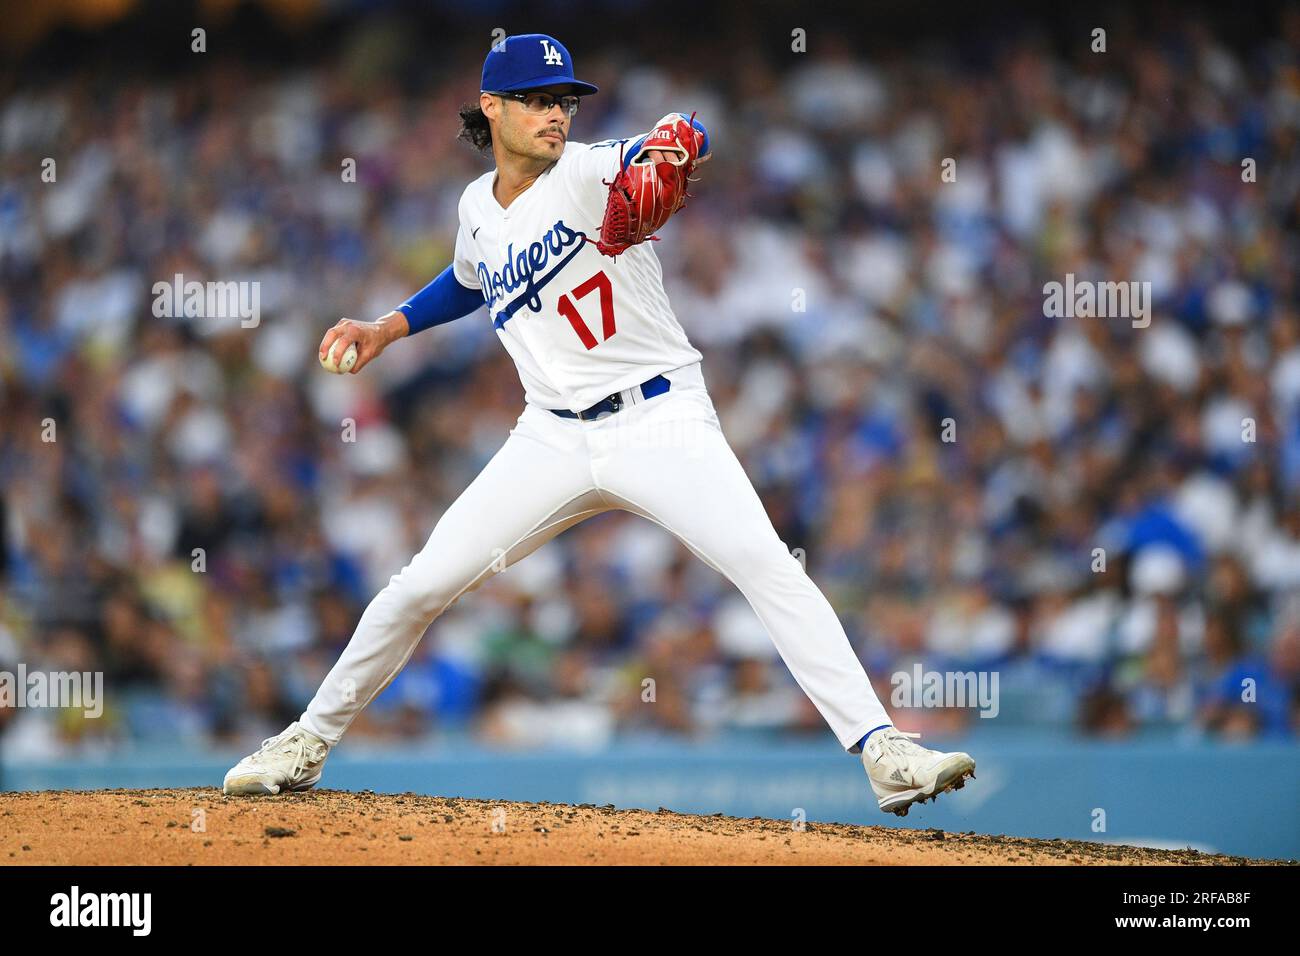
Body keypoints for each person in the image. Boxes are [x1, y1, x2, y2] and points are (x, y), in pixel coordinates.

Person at [222, 33, 975, 817]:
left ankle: (882, 749)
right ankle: (305, 741)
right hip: (549, 435)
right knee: (420, 585)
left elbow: (680, 134)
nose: (556, 115)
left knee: (765, 565)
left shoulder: (583, 170)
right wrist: (390, 326)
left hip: (659, 417)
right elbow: (469, 278)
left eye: (565, 100)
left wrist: (676, 146)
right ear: (492, 108)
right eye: (538, 100)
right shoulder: (476, 206)